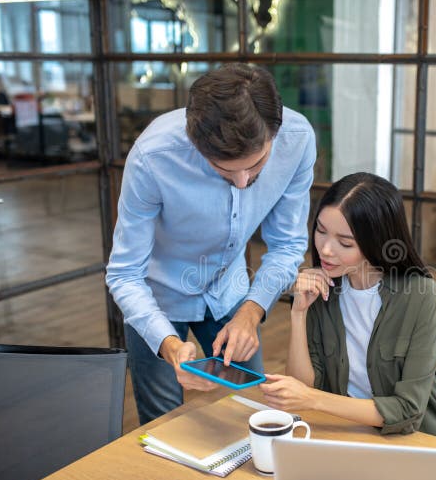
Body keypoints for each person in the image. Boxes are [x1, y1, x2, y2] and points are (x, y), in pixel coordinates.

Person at [106, 64, 316, 424]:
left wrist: (250, 313)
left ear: (275, 133)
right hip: (156, 298)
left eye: (256, 166)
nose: (241, 182)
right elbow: (124, 275)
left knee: (255, 412)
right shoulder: (152, 157)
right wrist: (170, 346)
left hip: (231, 290)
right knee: (164, 425)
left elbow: (286, 246)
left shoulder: (296, 140)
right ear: (194, 141)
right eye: (223, 170)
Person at [260, 172, 436, 443]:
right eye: (320, 231)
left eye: (345, 243)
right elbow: (303, 386)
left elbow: (407, 410)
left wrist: (313, 399)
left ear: (375, 242)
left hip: (414, 441)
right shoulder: (323, 287)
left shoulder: (420, 296)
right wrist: (298, 313)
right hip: (345, 433)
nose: (326, 250)